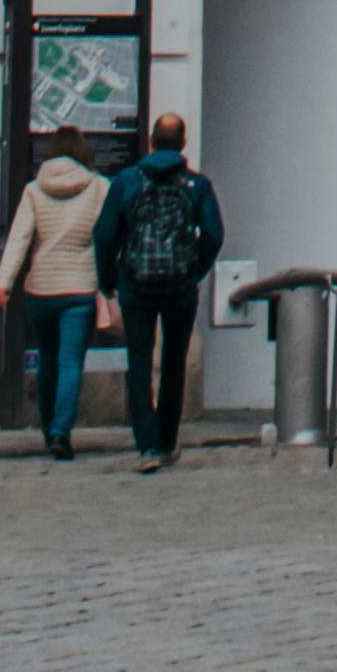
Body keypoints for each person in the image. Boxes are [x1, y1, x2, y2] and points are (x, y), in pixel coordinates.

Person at [93, 112, 226, 468]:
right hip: (180, 289)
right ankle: (167, 441)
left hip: (136, 286)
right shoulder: (197, 186)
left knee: (138, 362)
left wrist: (108, 279)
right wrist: (194, 270)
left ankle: (147, 445)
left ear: (151, 141)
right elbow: (214, 234)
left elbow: (105, 234)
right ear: (183, 143)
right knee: (173, 364)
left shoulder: (127, 181)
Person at [0, 138, 111, 458]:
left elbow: (20, 237)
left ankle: (48, 429)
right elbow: (109, 234)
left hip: (40, 289)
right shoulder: (99, 187)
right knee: (70, 362)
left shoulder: (35, 190)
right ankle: (61, 432)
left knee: (47, 360)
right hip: (80, 287)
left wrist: (4, 281)